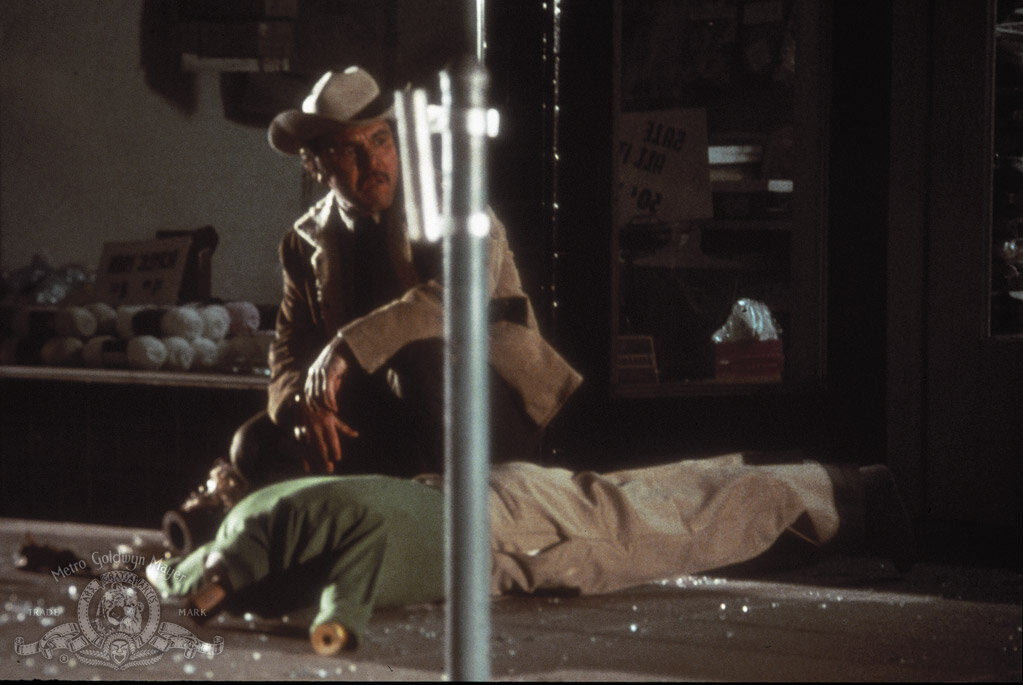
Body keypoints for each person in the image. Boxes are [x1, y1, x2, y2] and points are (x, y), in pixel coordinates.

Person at [148, 452, 915, 655]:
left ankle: (854, 497)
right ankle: (832, 493)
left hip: (507, 529)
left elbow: (208, 583)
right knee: (661, 504)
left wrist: (335, 621)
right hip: (489, 504)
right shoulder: (265, 511)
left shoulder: (254, 532)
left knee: (672, 520)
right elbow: (187, 573)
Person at [227, 66, 582, 488]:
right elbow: (288, 352)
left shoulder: (453, 205)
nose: (372, 161)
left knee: (422, 357)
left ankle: (443, 507)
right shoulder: (303, 242)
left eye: (380, 140)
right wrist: (302, 404)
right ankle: (364, 507)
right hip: (381, 406)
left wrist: (345, 346)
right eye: (349, 148)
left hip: (484, 401)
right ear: (315, 165)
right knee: (252, 444)